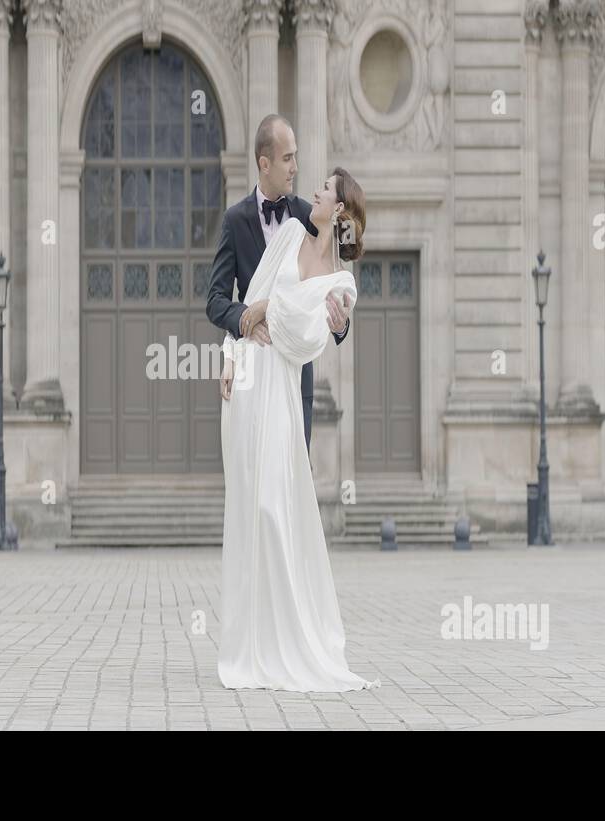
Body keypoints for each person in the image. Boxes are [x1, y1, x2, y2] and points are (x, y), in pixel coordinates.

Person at [214, 158, 379, 693]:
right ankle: (254, 643)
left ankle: (289, 639)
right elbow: (243, 303)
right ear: (266, 160)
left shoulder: (341, 281)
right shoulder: (284, 232)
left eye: (324, 188)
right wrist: (234, 344)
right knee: (251, 509)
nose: (310, 186)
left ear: (337, 207)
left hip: (286, 393)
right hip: (249, 385)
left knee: (277, 510)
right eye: (289, 160)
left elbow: (310, 339)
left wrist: (275, 314)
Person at [206, 113, 352, 453]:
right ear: (264, 163)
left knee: (290, 486)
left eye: (296, 156)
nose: (295, 167)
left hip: (294, 379)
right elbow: (215, 300)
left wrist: (340, 326)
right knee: (256, 487)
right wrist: (246, 321)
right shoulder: (235, 220)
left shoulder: (308, 216)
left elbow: (327, 289)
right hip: (252, 376)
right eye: (288, 158)